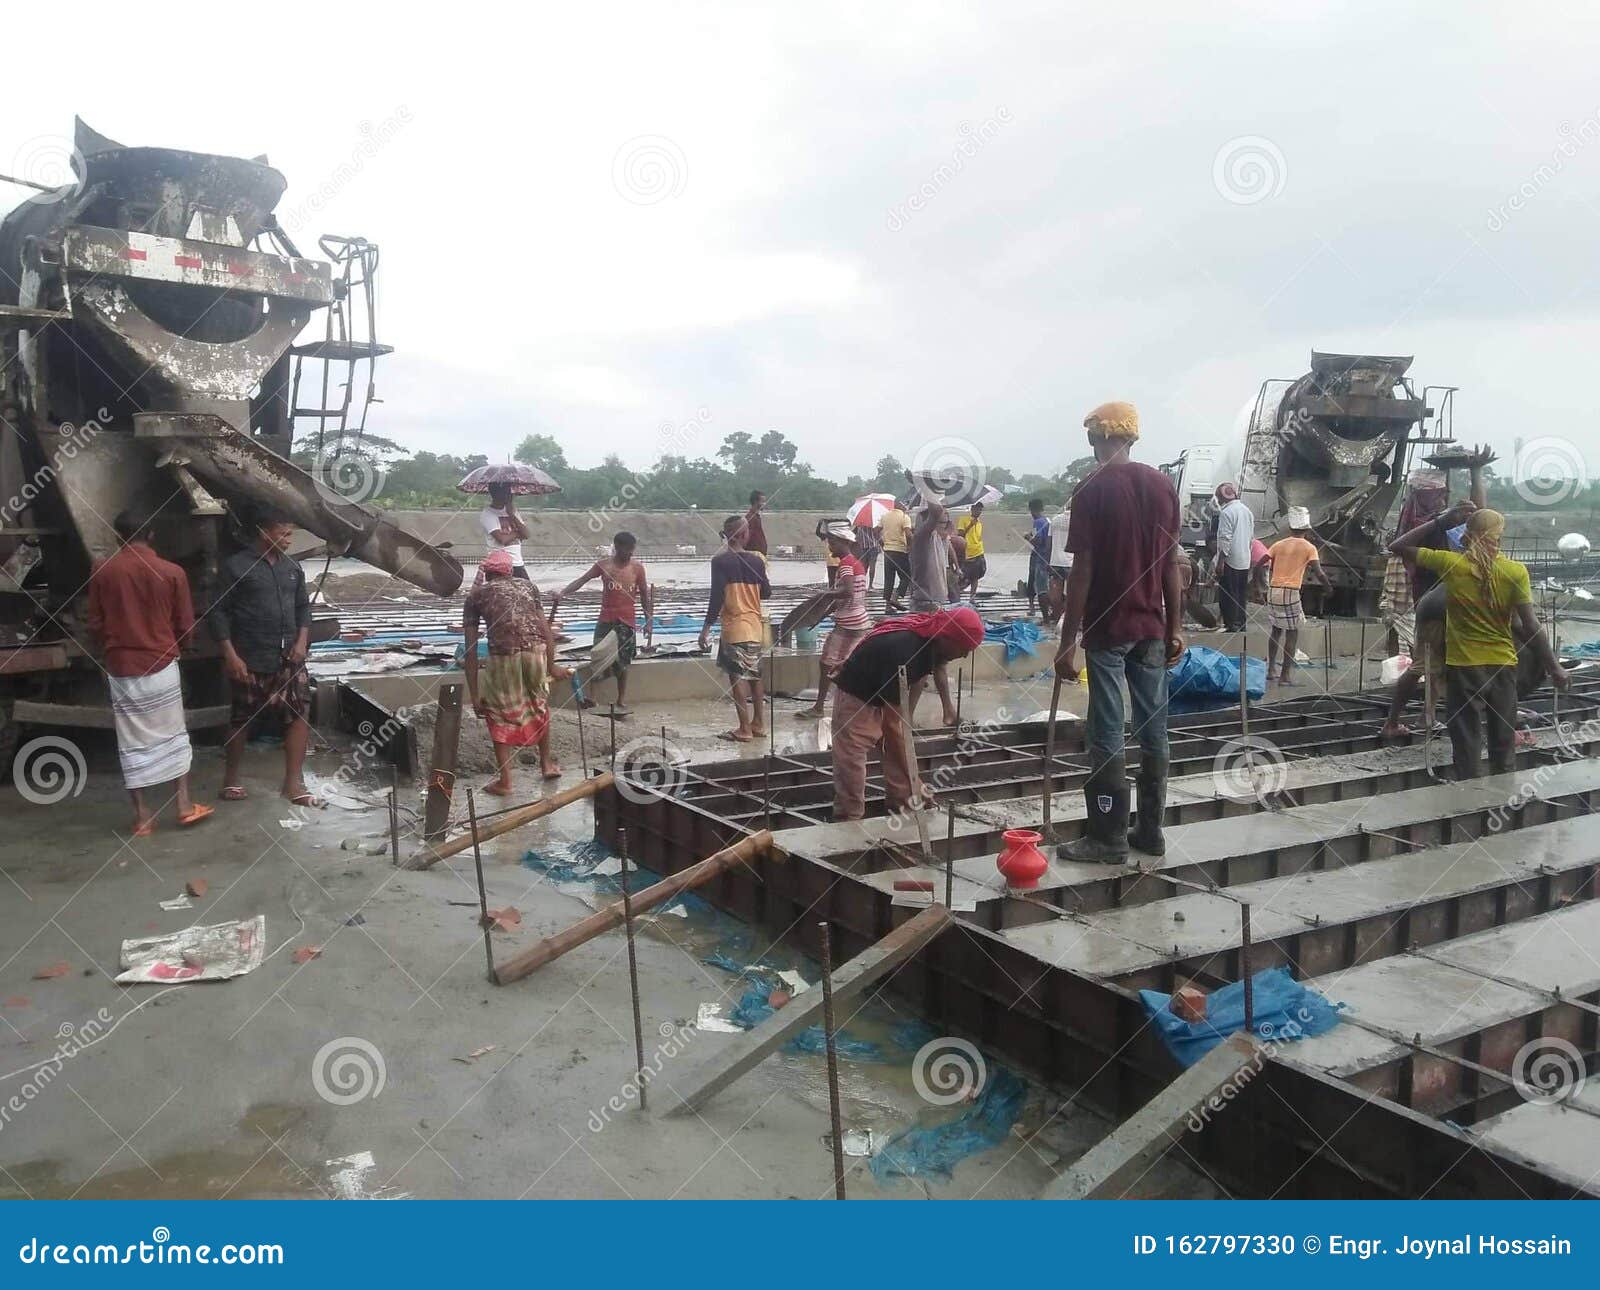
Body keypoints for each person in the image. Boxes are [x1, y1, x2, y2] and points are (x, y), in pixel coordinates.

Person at [1054, 401, 1183, 863]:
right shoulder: (1163, 486)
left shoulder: (1092, 489)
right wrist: (1175, 627)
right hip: (1151, 628)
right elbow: (1171, 565)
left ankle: (1107, 838)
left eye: (1091, 436)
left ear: (1099, 436)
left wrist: (1066, 643)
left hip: (1109, 630)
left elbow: (1082, 572)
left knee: (1106, 730)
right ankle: (1150, 832)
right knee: (1154, 729)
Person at [1390, 504, 1566, 779]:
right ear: (1499, 536)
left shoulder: (1452, 565)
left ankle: (1469, 794)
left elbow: (1397, 546)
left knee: (1466, 741)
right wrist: (1554, 667)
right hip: (1503, 667)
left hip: (1464, 669)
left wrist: (1440, 521)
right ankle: (1502, 792)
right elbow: (1528, 625)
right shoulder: (1515, 571)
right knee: (1503, 741)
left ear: (1469, 534)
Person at [86, 506, 212, 836]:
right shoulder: (172, 572)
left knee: (131, 741)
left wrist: (107, 648)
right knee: (173, 735)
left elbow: (95, 623)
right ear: (152, 535)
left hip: (122, 667)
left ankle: (143, 817)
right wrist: (182, 646)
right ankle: (183, 806)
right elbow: (185, 625)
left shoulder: (102, 571)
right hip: (162, 664)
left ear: (118, 536)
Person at [830, 608, 985, 820]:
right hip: (856, 699)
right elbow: (893, 726)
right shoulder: (906, 652)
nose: (965, 655)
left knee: (897, 755)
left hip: (883, 694)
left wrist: (913, 782)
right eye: (965, 648)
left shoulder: (932, 641)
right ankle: (849, 823)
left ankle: (904, 808)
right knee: (852, 767)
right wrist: (917, 780)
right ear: (947, 638)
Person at [1382, 447, 1494, 737]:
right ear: (1422, 496)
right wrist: (1442, 520)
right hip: (1433, 603)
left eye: (1443, 494)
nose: (1442, 499)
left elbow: (1480, 517)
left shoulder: (1443, 520)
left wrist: (1475, 471)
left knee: (1441, 664)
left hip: (1454, 601)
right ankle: (1393, 723)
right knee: (1423, 664)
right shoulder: (1425, 524)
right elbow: (1398, 545)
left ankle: (1428, 715)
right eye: (1437, 495)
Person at [211, 511, 318, 806]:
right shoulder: (236, 567)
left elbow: (303, 608)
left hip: (289, 656)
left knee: (299, 712)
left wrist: (302, 641)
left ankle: (293, 783)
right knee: (241, 717)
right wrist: (230, 654)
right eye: (283, 534)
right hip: (250, 655)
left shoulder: (292, 568)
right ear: (263, 532)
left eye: (290, 534)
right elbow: (218, 612)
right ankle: (231, 778)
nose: (288, 540)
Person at [464, 548, 567, 792]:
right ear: (510, 571)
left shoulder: (475, 596)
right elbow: (546, 631)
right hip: (535, 652)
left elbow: (470, 651)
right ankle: (546, 764)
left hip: (504, 658)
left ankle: (506, 781)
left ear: (487, 574)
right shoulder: (528, 587)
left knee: (498, 713)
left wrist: (475, 695)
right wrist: (552, 665)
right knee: (539, 705)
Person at [551, 531, 651, 716]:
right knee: (597, 657)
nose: (629, 554)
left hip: (626, 622)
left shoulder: (637, 568)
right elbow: (582, 580)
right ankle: (593, 699)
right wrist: (563, 592)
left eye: (632, 550)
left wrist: (648, 620)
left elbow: (645, 594)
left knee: (623, 662)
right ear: (617, 547)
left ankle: (621, 700)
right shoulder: (603, 565)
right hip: (606, 620)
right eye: (626, 550)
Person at [699, 515, 772, 742]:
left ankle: (744, 728)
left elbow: (716, 597)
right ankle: (758, 723)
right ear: (743, 535)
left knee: (737, 677)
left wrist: (706, 628)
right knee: (755, 676)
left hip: (734, 627)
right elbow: (767, 592)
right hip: (755, 627)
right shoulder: (757, 561)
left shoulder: (720, 561)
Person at [798, 522, 872, 718]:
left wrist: (824, 594)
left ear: (844, 542)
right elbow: (846, 596)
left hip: (849, 624)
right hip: (858, 621)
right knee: (846, 664)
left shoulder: (846, 564)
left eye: (832, 542)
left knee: (828, 663)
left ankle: (819, 707)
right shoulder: (856, 563)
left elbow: (847, 591)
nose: (830, 546)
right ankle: (851, 706)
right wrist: (823, 614)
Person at [1260, 507, 1332, 686]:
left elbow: (1258, 565)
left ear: (1290, 528)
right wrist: (1328, 588)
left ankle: (1271, 670)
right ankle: (1285, 676)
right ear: (1306, 529)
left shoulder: (1278, 544)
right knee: (1292, 633)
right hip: (1291, 591)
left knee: (1276, 630)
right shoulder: (1309, 547)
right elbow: (1319, 573)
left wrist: (1258, 587)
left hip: (1274, 590)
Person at [907, 502, 961, 726]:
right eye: (940, 522)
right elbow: (935, 516)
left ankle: (949, 712)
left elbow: (950, 532)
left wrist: (946, 515)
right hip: (923, 608)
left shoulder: (940, 539)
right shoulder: (922, 539)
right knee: (922, 666)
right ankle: (907, 717)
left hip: (937, 606)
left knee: (939, 663)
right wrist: (932, 493)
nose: (944, 526)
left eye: (945, 523)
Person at [1213, 482, 1253, 632]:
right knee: (1241, 594)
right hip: (1244, 559)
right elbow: (1251, 538)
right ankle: (1240, 623)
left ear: (1222, 497)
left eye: (1218, 497)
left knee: (1228, 594)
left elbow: (1225, 539)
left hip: (1230, 560)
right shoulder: (1247, 511)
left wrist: (1220, 563)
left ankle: (1231, 624)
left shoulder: (1226, 513)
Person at [480, 483, 531, 580]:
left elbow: (526, 534)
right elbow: (502, 539)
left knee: (527, 588)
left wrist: (511, 514)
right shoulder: (488, 514)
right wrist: (517, 533)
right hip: (499, 565)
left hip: (517, 563)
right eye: (507, 492)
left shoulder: (512, 511)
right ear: (496, 494)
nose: (510, 496)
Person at [879, 498, 912, 612]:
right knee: (907, 576)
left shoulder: (885, 516)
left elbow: (875, 530)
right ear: (901, 506)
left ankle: (887, 606)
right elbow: (908, 534)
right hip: (900, 551)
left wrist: (882, 543)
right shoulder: (904, 517)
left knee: (889, 579)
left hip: (887, 551)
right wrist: (909, 547)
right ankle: (895, 597)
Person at [1043, 502, 1073, 626]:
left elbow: (1048, 543)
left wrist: (1047, 561)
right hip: (1072, 563)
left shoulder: (1054, 520)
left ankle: (1057, 620)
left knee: (1055, 595)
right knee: (1072, 595)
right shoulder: (1079, 520)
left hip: (1055, 562)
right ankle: (1068, 621)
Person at [1024, 498, 1052, 619]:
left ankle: (1034, 609)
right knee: (1047, 584)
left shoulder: (1038, 522)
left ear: (1032, 510)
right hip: (1047, 556)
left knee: (1035, 582)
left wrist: (1028, 537)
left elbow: (1038, 541)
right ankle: (1051, 610)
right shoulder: (1047, 521)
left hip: (1038, 556)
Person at [955, 502, 986, 603]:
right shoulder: (963, 519)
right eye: (977, 509)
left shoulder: (979, 523)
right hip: (967, 554)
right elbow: (960, 535)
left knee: (976, 577)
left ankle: (972, 598)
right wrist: (970, 525)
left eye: (980, 510)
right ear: (972, 509)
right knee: (963, 577)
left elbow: (978, 538)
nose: (979, 512)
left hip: (979, 552)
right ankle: (956, 597)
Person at [855, 521, 881, 589]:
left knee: (864, 566)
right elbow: (877, 535)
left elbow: (857, 536)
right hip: (874, 546)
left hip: (863, 547)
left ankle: (862, 584)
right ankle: (870, 585)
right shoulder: (874, 523)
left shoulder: (860, 524)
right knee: (872, 565)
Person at [743, 490, 768, 559]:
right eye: (763, 501)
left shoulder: (756, 517)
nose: (765, 504)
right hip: (754, 555)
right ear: (755, 502)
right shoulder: (751, 517)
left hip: (758, 554)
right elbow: (747, 537)